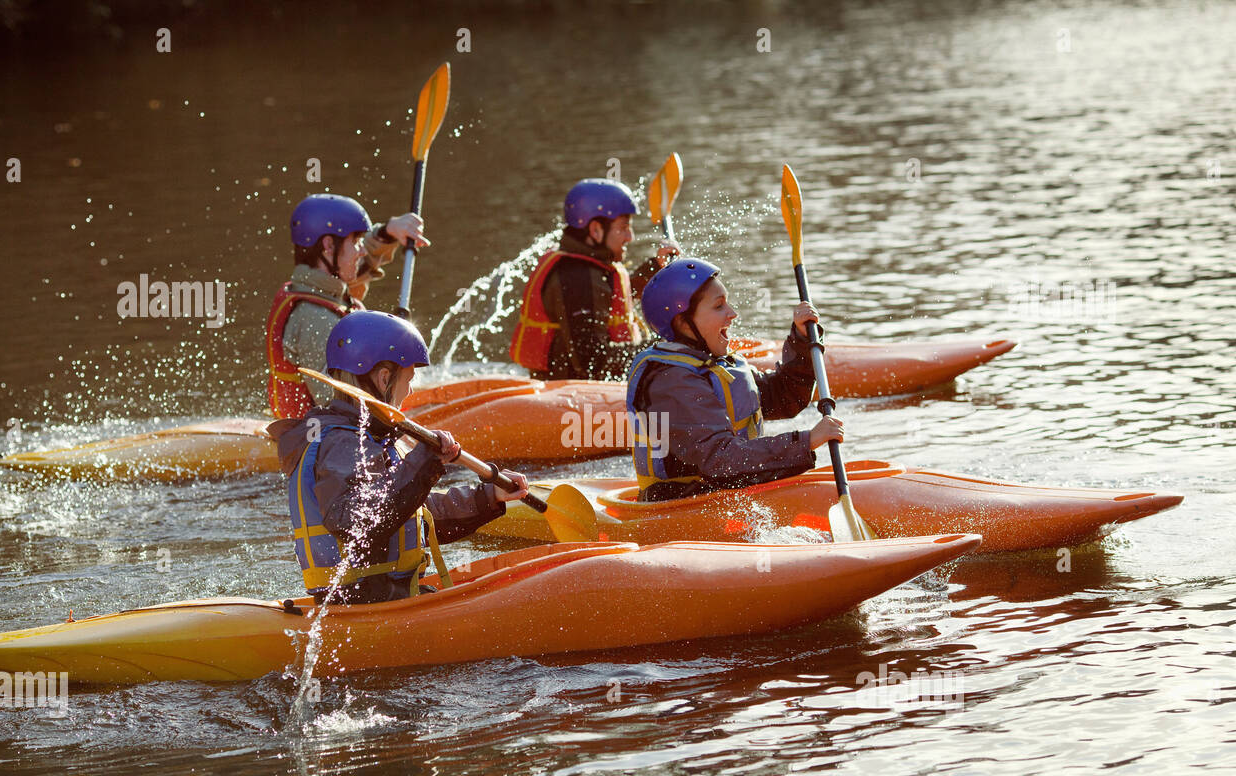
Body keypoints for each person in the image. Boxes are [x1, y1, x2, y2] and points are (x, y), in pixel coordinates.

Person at [276, 310, 529, 605]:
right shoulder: (345, 442)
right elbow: (357, 523)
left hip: (383, 596)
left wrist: (489, 497)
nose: (409, 392)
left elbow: (413, 514)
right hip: (364, 604)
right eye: (408, 380)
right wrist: (424, 461)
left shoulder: (367, 438)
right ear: (384, 379)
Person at [625, 258, 845, 502]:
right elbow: (720, 460)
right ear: (683, 323)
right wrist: (806, 441)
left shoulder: (716, 365)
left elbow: (784, 397)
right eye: (719, 306)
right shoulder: (670, 382)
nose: (732, 314)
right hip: (680, 503)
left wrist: (801, 341)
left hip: (724, 491)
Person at [266, 193, 429, 418]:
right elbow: (341, 405)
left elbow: (361, 260)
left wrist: (387, 232)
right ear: (328, 245)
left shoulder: (323, 286)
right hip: (315, 437)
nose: (361, 250)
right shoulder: (315, 318)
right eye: (355, 241)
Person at [509, 178, 680, 381]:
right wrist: (663, 350)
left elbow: (610, 298)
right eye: (623, 227)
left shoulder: (584, 266)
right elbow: (591, 362)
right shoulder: (576, 277)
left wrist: (656, 269)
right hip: (569, 395)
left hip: (578, 386)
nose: (630, 236)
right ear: (595, 230)